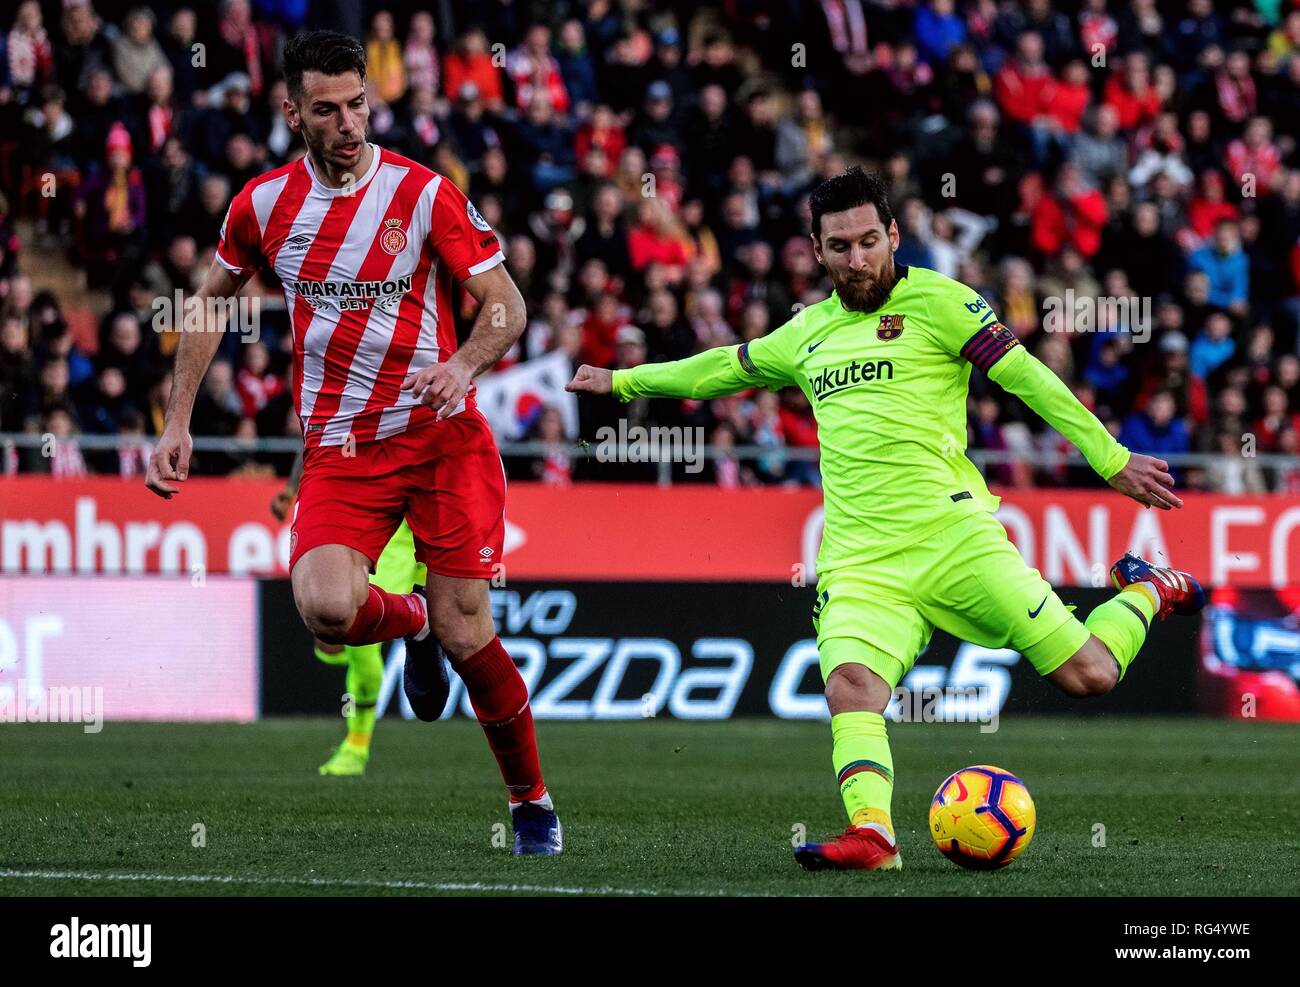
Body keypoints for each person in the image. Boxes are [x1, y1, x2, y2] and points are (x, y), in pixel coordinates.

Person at [567, 167, 1204, 872]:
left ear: (894, 234)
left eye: (870, 240)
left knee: (1090, 675)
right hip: (861, 561)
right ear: (816, 250)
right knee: (851, 684)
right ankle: (874, 834)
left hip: (954, 538)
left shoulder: (944, 302)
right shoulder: (806, 334)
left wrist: (1109, 459)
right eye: (839, 245)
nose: (858, 258)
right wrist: (622, 379)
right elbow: (722, 368)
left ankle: (1146, 587)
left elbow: (1027, 378)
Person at [146, 31, 561, 855]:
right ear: (291, 111)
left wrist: (463, 360)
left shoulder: (422, 193)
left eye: (357, 104)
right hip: (342, 446)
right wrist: (177, 418)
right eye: (326, 109)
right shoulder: (262, 206)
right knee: (325, 607)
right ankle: (410, 624)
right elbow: (206, 302)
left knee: (469, 625)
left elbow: (506, 303)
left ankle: (531, 803)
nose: (347, 124)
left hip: (442, 437)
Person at [270, 447, 442, 776]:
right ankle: (417, 622)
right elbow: (313, 428)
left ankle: (356, 747)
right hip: (357, 509)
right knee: (334, 632)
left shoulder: (409, 401)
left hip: (408, 524)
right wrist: (293, 489)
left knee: (357, 628)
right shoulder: (344, 404)